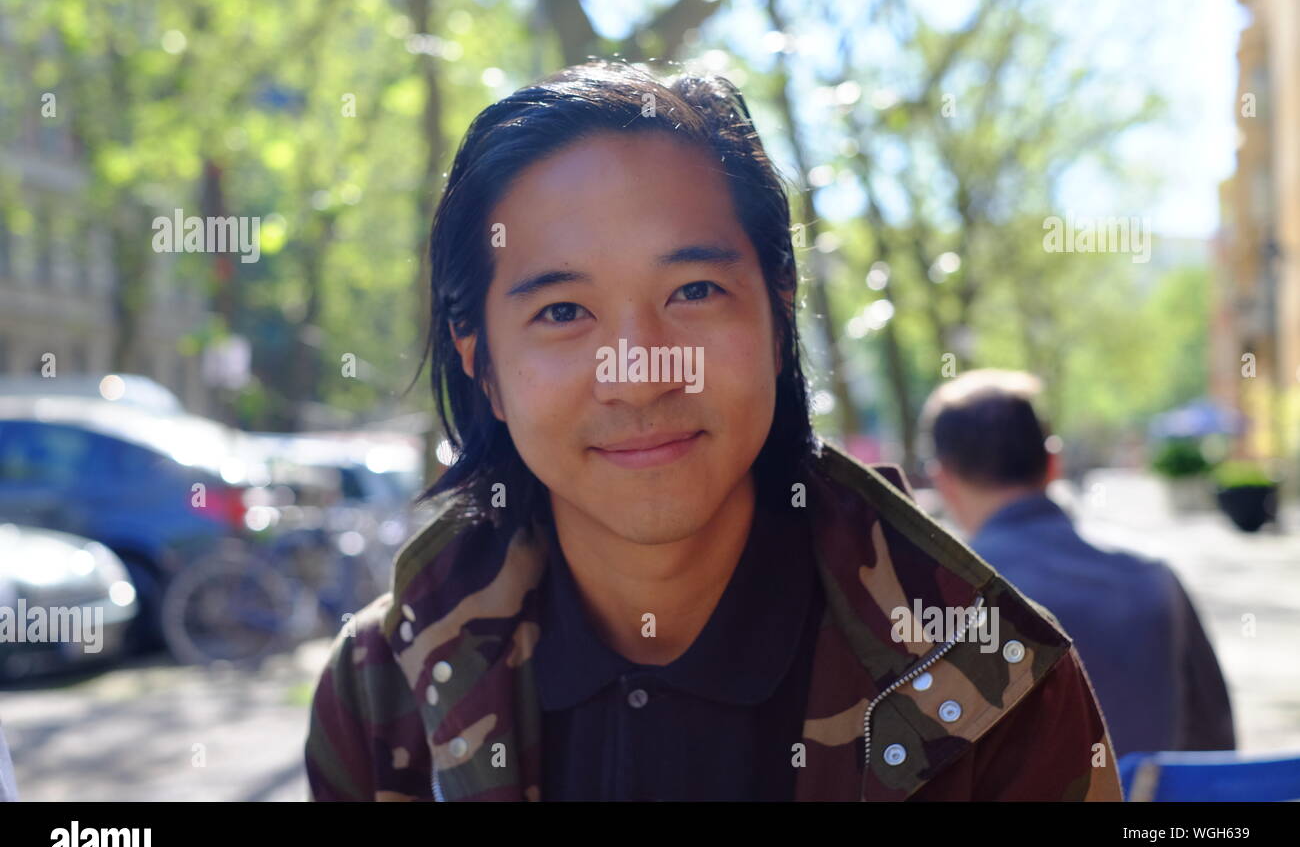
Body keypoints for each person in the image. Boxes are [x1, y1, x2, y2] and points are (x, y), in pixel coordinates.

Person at [304, 61, 1120, 802]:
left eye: (692, 292)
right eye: (562, 312)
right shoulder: (385, 691)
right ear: (481, 364)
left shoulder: (990, 682)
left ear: (778, 312)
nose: (641, 374)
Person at [920, 368, 1236, 758]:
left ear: (943, 480)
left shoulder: (938, 599)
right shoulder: (1152, 575)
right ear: (1054, 463)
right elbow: (1215, 739)